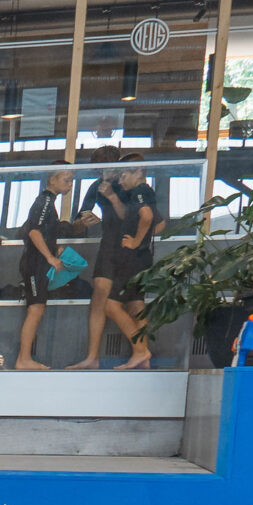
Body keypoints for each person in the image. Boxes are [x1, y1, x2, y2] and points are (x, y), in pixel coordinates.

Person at [73, 154, 159, 371]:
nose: (108, 175)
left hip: (129, 251)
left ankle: (141, 353)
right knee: (102, 296)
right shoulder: (100, 186)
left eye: (111, 169)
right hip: (111, 246)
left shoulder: (133, 187)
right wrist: (84, 222)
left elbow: (153, 220)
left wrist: (140, 241)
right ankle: (94, 356)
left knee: (133, 303)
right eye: (101, 170)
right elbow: (77, 222)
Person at [11, 168, 87, 370]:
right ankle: (23, 359)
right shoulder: (44, 201)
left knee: (38, 308)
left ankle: (24, 358)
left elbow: (43, 234)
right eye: (66, 180)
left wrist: (55, 250)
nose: (70, 184)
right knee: (35, 309)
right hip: (34, 264)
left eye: (72, 181)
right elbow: (34, 232)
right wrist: (50, 257)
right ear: (52, 179)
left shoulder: (49, 203)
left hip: (39, 263)